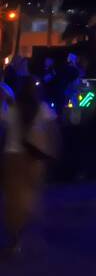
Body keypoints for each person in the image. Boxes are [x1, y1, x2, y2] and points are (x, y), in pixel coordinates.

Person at [2, 76, 60, 255]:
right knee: (30, 195)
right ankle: (27, 232)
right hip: (34, 158)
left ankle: (16, 238)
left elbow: (3, 130)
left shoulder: (12, 109)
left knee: (13, 199)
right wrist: (52, 151)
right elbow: (53, 132)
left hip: (12, 156)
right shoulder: (43, 109)